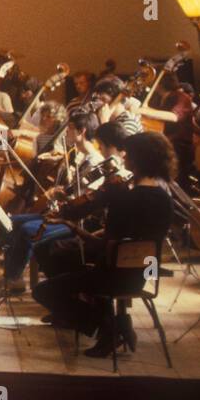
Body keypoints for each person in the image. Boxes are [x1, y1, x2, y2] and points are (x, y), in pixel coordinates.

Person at [31, 132, 176, 357]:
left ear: (137, 161)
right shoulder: (164, 198)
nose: (124, 159)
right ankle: (116, 320)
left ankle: (108, 327)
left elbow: (105, 248)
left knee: (43, 291)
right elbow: (134, 238)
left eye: (128, 155)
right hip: (142, 274)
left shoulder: (126, 199)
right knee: (68, 260)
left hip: (113, 275)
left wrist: (74, 228)